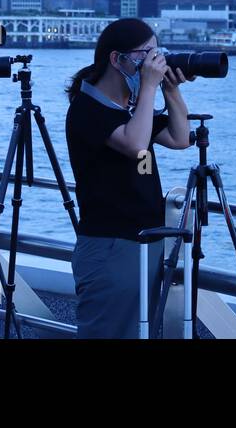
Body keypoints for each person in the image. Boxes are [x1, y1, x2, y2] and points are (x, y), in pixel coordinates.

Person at [64, 18, 193, 338]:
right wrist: (149, 86)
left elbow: (181, 138)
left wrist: (170, 89)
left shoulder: (132, 110)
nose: (152, 62)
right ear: (116, 58)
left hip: (144, 242)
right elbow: (136, 145)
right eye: (144, 55)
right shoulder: (86, 108)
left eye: (156, 54)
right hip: (110, 247)